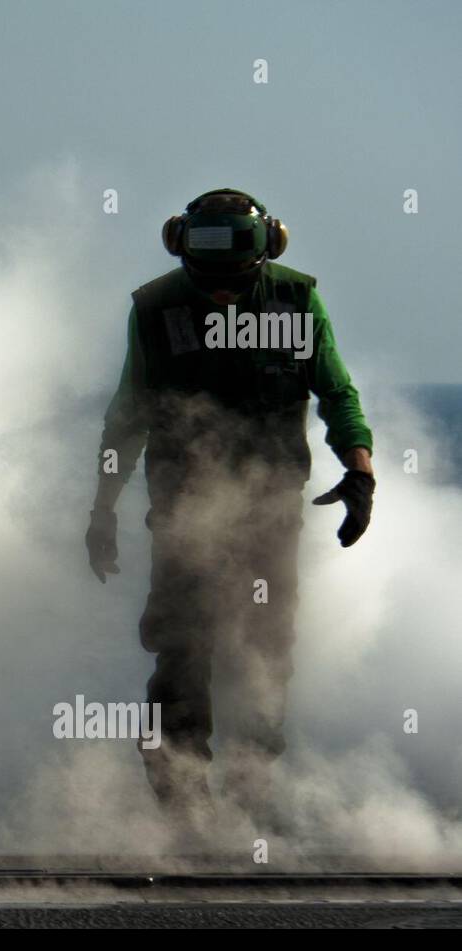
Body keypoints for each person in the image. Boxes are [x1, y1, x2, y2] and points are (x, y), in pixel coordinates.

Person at [87, 189, 374, 834]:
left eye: (235, 283)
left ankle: (251, 806)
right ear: (181, 251)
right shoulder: (156, 308)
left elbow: (337, 391)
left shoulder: (297, 301)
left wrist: (361, 472)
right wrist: (103, 508)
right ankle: (184, 810)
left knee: (267, 652)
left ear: (268, 252)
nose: (220, 297)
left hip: (270, 508)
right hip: (184, 509)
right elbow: (126, 417)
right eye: (206, 283)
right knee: (182, 653)